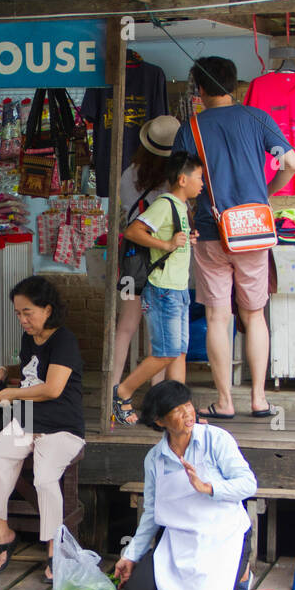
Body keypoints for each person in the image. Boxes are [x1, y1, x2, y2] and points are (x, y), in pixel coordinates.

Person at [173, 56, 295, 419]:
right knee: (255, 314)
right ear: (236, 85)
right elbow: (292, 164)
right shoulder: (258, 118)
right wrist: (266, 194)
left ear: (199, 89)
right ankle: (259, 399)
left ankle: (225, 402)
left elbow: (182, 182)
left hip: (211, 230)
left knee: (218, 317)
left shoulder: (192, 128)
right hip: (254, 230)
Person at [114, 380, 257, 590]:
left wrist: (207, 488)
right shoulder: (154, 458)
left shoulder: (217, 439)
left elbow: (249, 484)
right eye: (177, 410)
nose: (188, 413)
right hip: (178, 538)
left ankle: (243, 575)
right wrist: (130, 556)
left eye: (188, 405)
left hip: (222, 534)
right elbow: (151, 512)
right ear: (159, 421)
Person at [0, 276, 85, 581]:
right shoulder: (29, 339)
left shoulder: (64, 340)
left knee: (45, 478)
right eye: (18, 314)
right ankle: (3, 534)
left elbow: (51, 388)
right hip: (26, 420)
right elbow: (29, 371)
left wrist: (11, 393)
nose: (23, 320)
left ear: (47, 309)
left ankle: (53, 546)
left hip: (62, 426)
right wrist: (5, 371)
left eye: (28, 312)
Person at [111, 151, 202, 427]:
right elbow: (133, 231)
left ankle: (177, 409)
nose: (202, 183)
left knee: (178, 352)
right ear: (183, 179)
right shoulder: (165, 204)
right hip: (163, 290)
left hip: (178, 289)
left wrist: (183, 241)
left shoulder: (182, 207)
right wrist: (166, 245)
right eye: (199, 177)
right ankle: (123, 392)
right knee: (164, 352)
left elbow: (172, 238)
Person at [112, 115, 182, 394]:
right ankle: (156, 391)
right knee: (159, 327)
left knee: (126, 325)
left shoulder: (128, 174)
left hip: (131, 255)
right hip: (162, 257)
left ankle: (113, 388)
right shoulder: (175, 180)